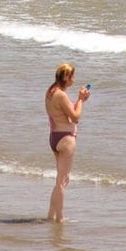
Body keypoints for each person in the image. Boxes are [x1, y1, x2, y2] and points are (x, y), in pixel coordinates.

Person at [44, 63, 89, 223]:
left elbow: (67, 114)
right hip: (65, 138)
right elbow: (75, 117)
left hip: (54, 137)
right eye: (71, 77)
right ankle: (60, 218)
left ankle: (51, 214)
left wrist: (79, 99)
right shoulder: (61, 95)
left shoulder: (51, 92)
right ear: (65, 77)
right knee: (63, 181)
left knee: (60, 180)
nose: (73, 80)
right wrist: (82, 101)